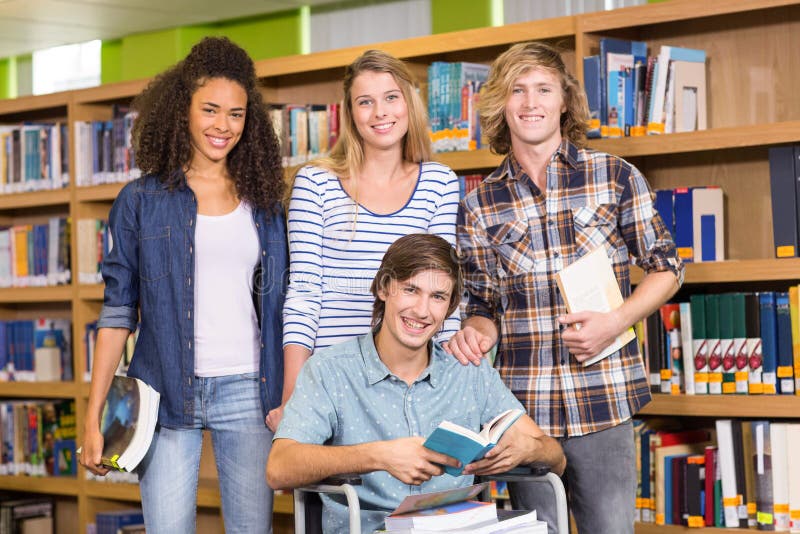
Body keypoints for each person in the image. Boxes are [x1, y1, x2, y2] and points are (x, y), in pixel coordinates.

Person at [447, 42, 684, 534]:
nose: (530, 102)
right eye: (517, 90)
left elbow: (666, 268)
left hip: (604, 399)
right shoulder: (479, 204)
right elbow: (482, 302)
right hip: (522, 412)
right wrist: (475, 329)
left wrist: (614, 322)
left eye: (543, 89)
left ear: (564, 102)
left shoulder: (614, 177)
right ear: (500, 105)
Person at [78, 37, 287, 534]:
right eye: (210, 110)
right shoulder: (140, 201)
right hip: (164, 391)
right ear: (182, 109)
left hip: (249, 388)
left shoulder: (265, 202)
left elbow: (283, 306)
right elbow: (116, 314)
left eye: (236, 114)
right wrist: (95, 416)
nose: (223, 126)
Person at [267, 233, 565, 533]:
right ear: (384, 288)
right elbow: (279, 468)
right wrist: (380, 456)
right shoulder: (329, 371)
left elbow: (556, 458)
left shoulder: (469, 372)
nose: (422, 311)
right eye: (411, 290)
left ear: (449, 307)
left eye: (437, 297)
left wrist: (529, 449)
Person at [267, 49, 460, 432]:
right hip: (332, 379)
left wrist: (451, 385)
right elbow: (304, 293)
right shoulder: (315, 182)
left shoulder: (439, 182)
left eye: (391, 97)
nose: (380, 113)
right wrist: (293, 396)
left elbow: (441, 294)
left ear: (409, 103)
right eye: (365, 102)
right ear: (350, 113)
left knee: (419, 488)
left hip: (408, 380)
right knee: (337, 490)